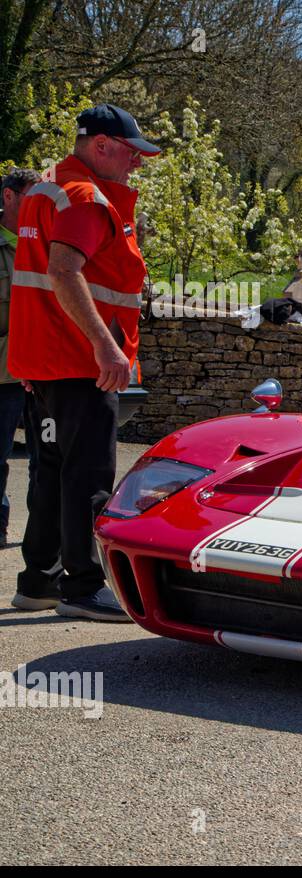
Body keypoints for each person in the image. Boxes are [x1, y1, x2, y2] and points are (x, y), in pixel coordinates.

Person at [7, 104, 160, 621]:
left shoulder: (46, 187)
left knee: (50, 473)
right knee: (89, 477)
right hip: (82, 364)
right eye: (132, 152)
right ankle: (84, 587)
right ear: (100, 145)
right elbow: (64, 271)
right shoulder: (86, 197)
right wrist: (105, 345)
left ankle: (38, 582)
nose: (137, 163)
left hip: (43, 363)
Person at [0, 168, 40, 548]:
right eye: (31, 196)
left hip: (45, 371)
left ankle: (39, 537)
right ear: (9, 197)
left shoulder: (46, 243)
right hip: (5, 375)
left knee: (45, 462)